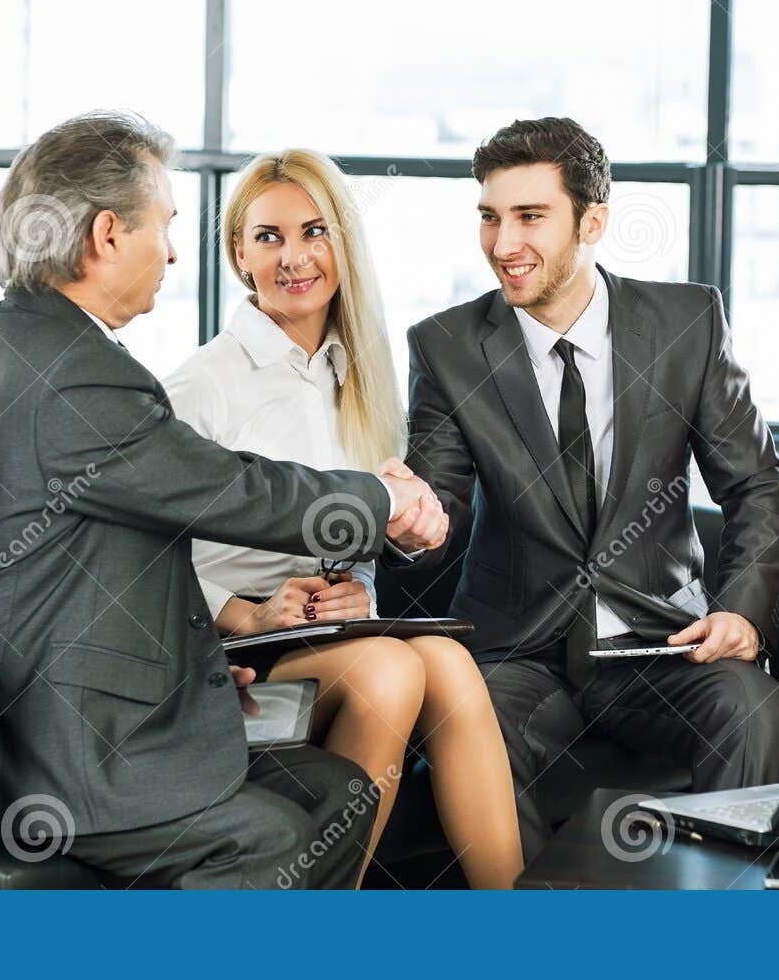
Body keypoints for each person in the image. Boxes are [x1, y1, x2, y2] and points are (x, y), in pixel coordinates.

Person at [0, 110, 442, 889]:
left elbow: (131, 546)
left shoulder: (46, 342)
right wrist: (383, 495)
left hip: (110, 701)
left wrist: (197, 665)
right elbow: (233, 489)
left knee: (341, 794)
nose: (174, 250)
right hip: (72, 746)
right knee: (270, 838)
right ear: (108, 234)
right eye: (165, 225)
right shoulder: (72, 371)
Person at [396, 116, 779, 861]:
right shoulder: (446, 346)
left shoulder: (688, 323)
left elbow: (758, 486)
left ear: (594, 221)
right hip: (517, 652)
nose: (503, 244)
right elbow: (439, 512)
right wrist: (407, 517)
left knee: (755, 711)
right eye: (489, 216)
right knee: (471, 727)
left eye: (529, 217)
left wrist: (741, 609)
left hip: (659, 643)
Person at [163, 148, 522, 889]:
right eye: (268, 236)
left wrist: (362, 586)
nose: (293, 257)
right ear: (239, 254)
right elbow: (144, 558)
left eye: (313, 231)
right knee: (388, 667)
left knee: (447, 663)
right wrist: (246, 613)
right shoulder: (200, 388)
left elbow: (352, 542)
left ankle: (515, 921)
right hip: (227, 662)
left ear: (342, 244)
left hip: (322, 639)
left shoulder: (359, 381)